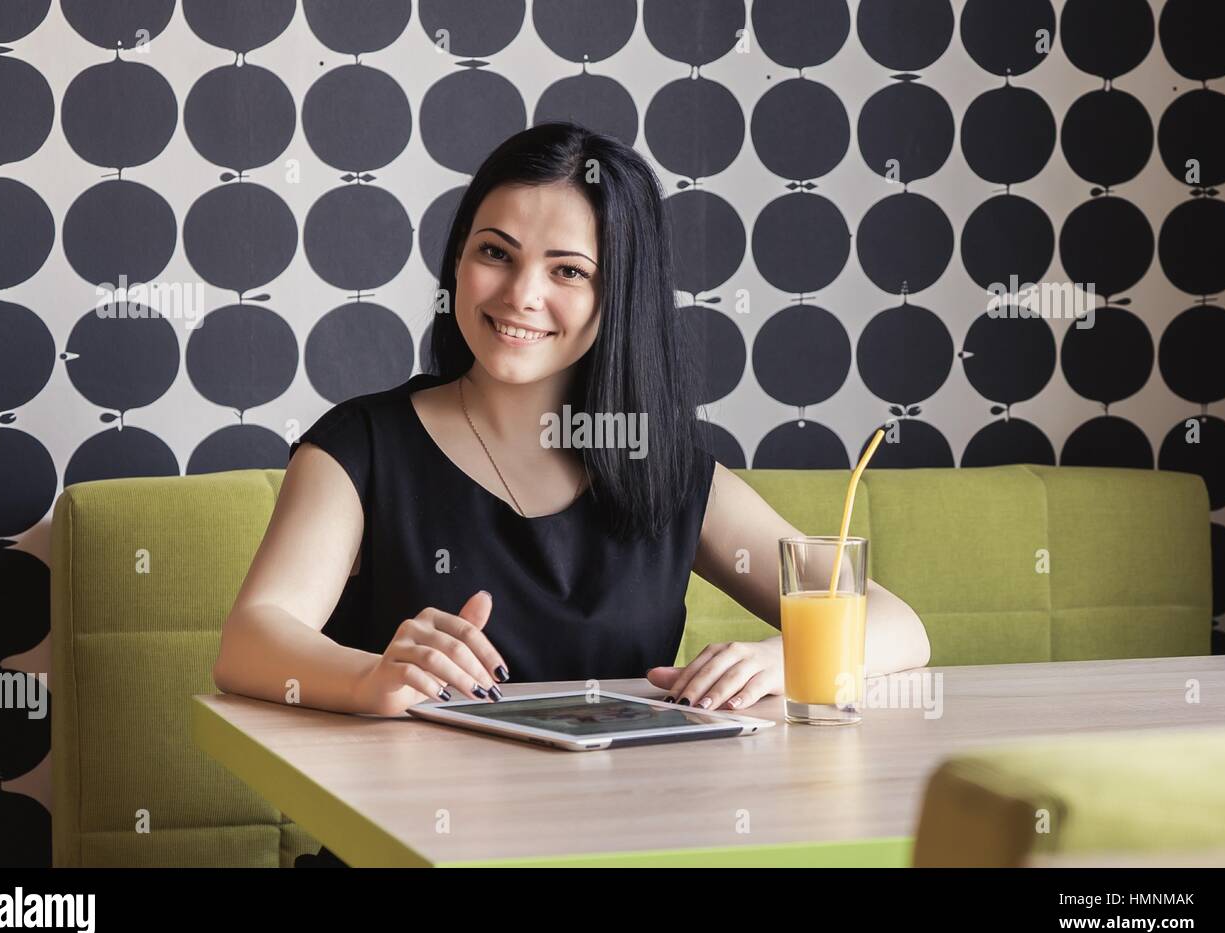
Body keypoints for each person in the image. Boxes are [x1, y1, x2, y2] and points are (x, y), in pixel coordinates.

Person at [214, 122, 930, 867]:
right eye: (496, 252)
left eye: (568, 270)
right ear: (458, 258)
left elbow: (899, 625)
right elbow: (251, 639)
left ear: (617, 294)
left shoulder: (663, 466)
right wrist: (374, 678)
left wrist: (784, 660)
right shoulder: (361, 446)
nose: (521, 294)